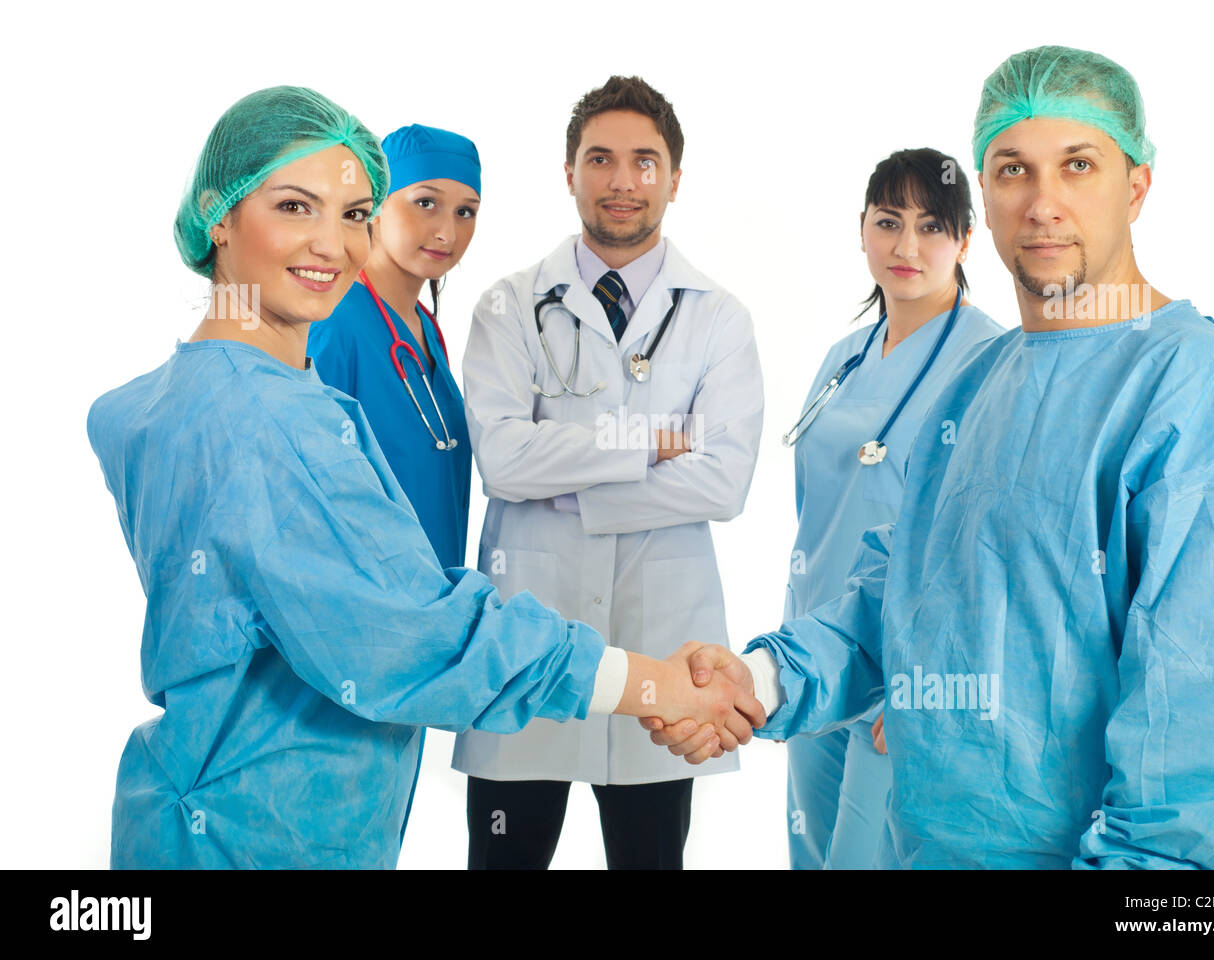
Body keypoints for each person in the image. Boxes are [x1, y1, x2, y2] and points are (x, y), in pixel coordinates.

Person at [646, 45, 1214, 869]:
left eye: (1079, 166)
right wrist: (762, 680)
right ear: (985, 199)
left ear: (1136, 186)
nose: (1043, 204)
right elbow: (899, 596)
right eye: (1014, 170)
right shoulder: (972, 387)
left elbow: (1205, 732)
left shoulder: (1204, 394)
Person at [86, 85, 762, 869]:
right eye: (295, 207)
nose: (335, 246)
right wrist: (660, 686)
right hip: (259, 824)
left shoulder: (204, 394)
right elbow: (410, 632)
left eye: (353, 214)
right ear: (218, 214)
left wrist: (563, 470)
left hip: (249, 788)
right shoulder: (275, 422)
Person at [453, 75, 764, 869]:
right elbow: (500, 459)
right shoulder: (508, 306)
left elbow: (723, 484)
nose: (622, 182)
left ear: (675, 177)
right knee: (502, 860)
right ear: (569, 172)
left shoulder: (720, 318)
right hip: (529, 638)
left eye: (644, 161)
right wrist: (651, 440)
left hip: (665, 646)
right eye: (600, 159)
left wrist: (562, 479)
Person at [782, 149, 1003, 870]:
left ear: (965, 241)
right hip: (814, 649)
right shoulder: (845, 357)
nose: (906, 247)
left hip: (902, 675)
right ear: (863, 230)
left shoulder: (992, 363)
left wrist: (919, 681)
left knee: (861, 859)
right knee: (810, 853)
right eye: (888, 222)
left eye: (932, 227)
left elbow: (988, 548)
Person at [308, 124, 479, 569]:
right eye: (426, 203)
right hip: (368, 613)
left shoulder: (426, 331)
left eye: (466, 212)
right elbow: (307, 500)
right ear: (375, 207)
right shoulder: (333, 323)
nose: (447, 232)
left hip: (438, 604)